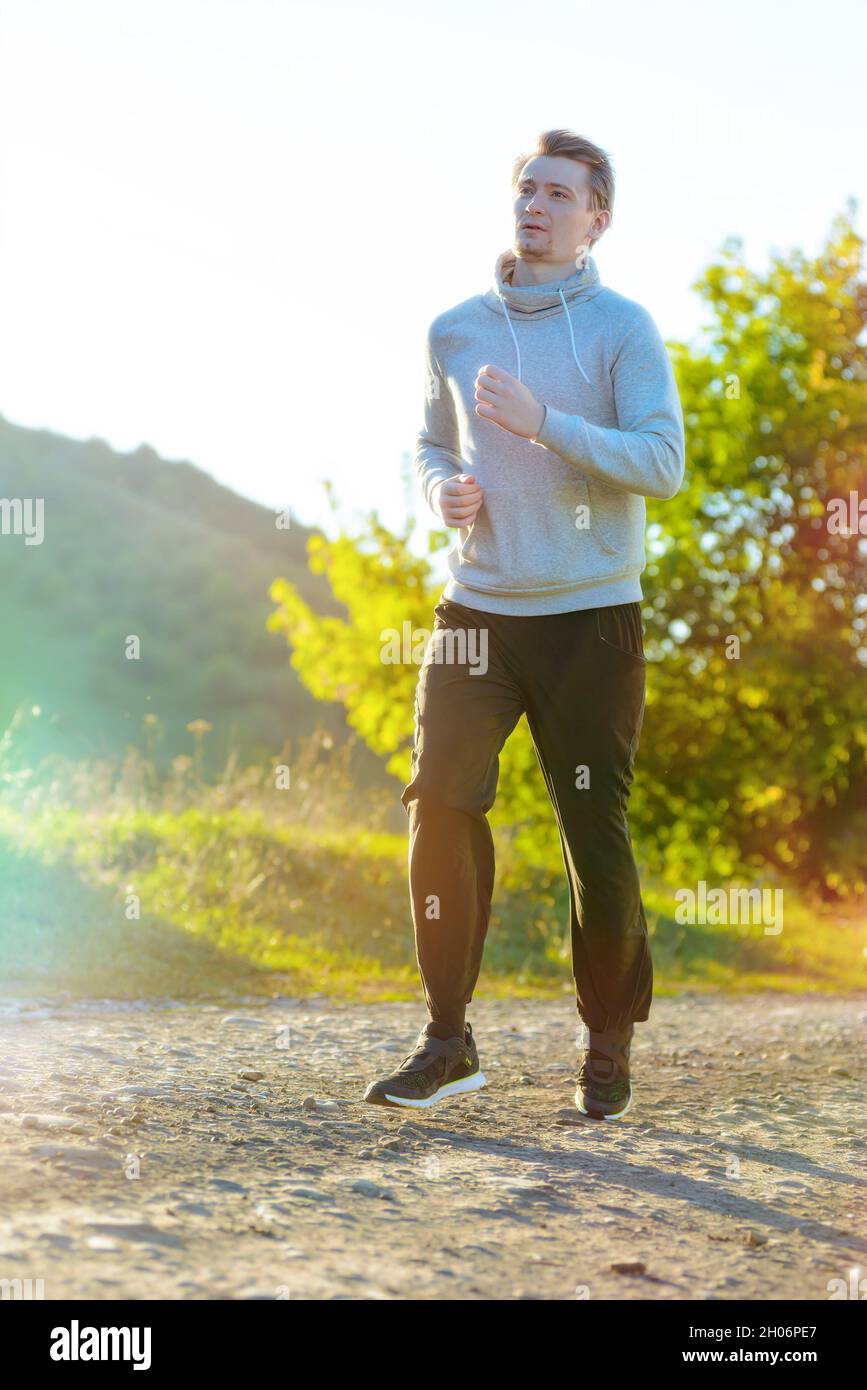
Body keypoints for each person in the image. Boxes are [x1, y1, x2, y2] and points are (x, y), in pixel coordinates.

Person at [363, 129, 685, 1118]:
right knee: (439, 807)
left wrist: (545, 422)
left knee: (594, 831)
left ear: (599, 218)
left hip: (589, 616)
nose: (536, 205)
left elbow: (662, 465)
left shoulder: (625, 329)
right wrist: (442, 491)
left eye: (559, 193)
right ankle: (448, 1038)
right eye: (526, 190)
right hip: (477, 608)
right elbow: (427, 441)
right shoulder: (454, 330)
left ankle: (607, 1040)